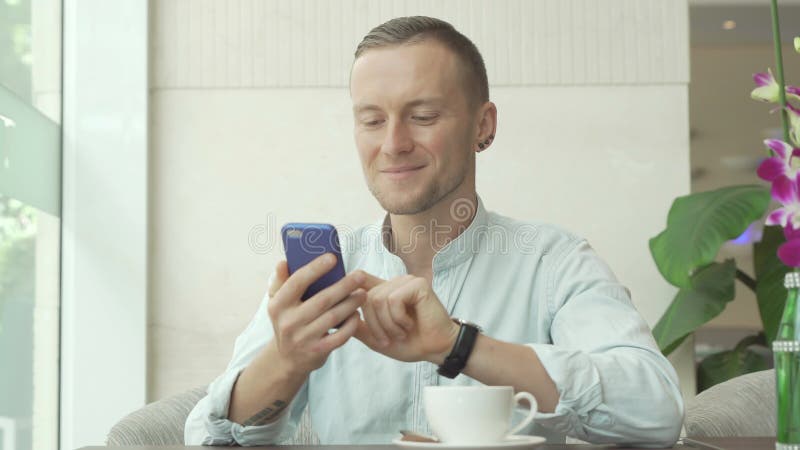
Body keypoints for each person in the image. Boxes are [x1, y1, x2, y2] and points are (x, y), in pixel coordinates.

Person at [185, 16, 683, 446]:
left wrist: (457, 345)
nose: (393, 143)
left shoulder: (554, 261)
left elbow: (657, 410)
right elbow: (208, 434)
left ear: (483, 126)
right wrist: (287, 359)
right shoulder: (325, 274)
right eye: (372, 120)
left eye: (422, 116)